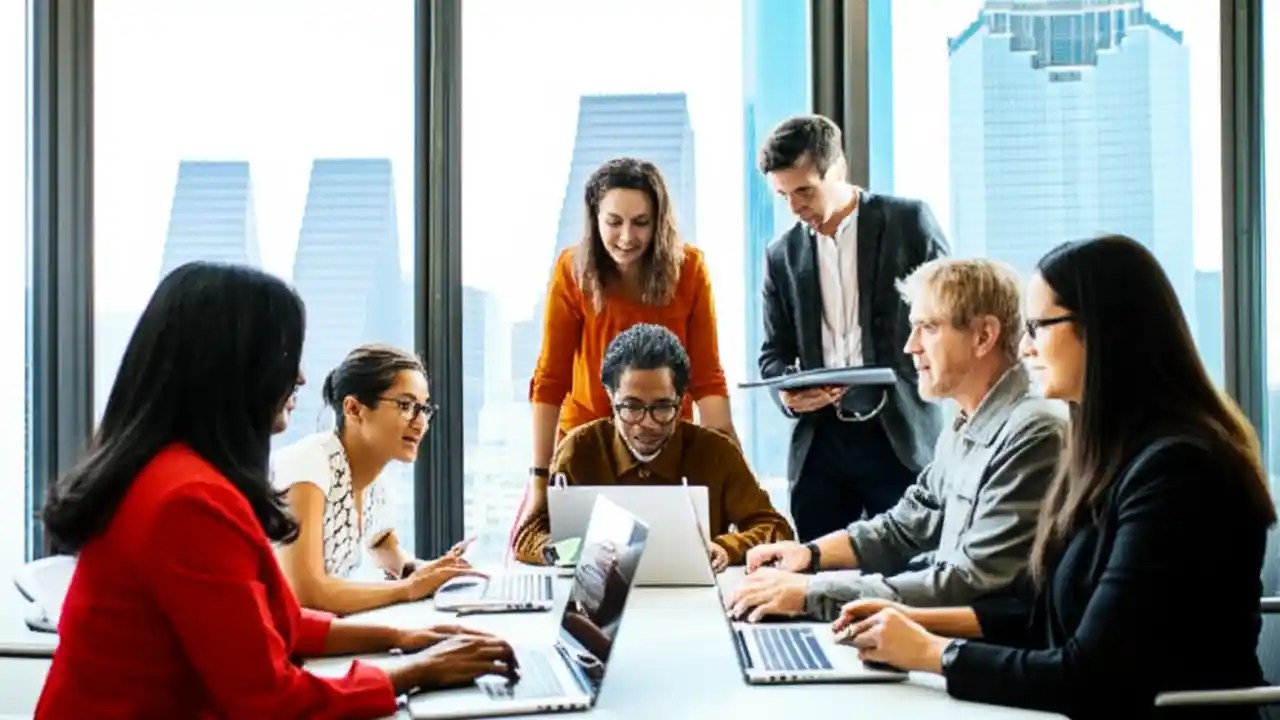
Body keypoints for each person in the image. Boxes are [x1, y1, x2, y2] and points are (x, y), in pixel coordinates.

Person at [36, 262, 517, 719]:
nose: (302, 377)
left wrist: (404, 638)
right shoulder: (188, 502)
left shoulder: (175, 475)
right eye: (285, 356)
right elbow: (271, 702)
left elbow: (275, 622)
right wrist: (416, 673)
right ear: (230, 368)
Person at [834, 236, 1275, 718]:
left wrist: (929, 652)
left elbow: (1090, 673)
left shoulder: (1180, 470)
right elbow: (1041, 610)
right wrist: (913, 620)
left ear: (1103, 330)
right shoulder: (1105, 454)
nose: (1024, 348)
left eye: (1039, 327)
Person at [726, 258, 1066, 622]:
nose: (910, 346)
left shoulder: (1033, 432)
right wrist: (810, 554)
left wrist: (811, 594)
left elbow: (968, 583)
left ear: (983, 336)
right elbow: (907, 524)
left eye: (928, 327)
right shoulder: (968, 423)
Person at [757, 114, 949, 541]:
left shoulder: (909, 223)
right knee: (819, 581)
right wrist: (788, 394)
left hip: (898, 432)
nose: (794, 206)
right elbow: (773, 353)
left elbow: (951, 317)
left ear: (838, 170)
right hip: (822, 443)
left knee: (909, 571)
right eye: (782, 194)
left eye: (804, 190)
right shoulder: (781, 255)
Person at [527, 157, 736, 502]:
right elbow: (550, 380)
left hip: (665, 447)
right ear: (595, 220)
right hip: (586, 449)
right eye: (613, 222)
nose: (626, 237)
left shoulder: (690, 270)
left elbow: (707, 379)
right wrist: (539, 480)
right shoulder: (572, 271)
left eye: (641, 223)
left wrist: (728, 469)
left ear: (658, 223)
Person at [513, 323, 792, 567]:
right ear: (611, 397)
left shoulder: (716, 452)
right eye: (632, 407)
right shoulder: (579, 449)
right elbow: (528, 536)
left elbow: (776, 529)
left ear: (682, 399)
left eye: (662, 407)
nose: (646, 424)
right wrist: (570, 553)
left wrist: (726, 547)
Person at [272, 343, 481, 615]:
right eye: (406, 405)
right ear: (354, 409)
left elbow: (388, 551)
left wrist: (432, 569)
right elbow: (306, 592)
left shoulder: (376, 482)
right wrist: (410, 587)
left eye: (425, 408)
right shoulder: (308, 461)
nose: (421, 423)